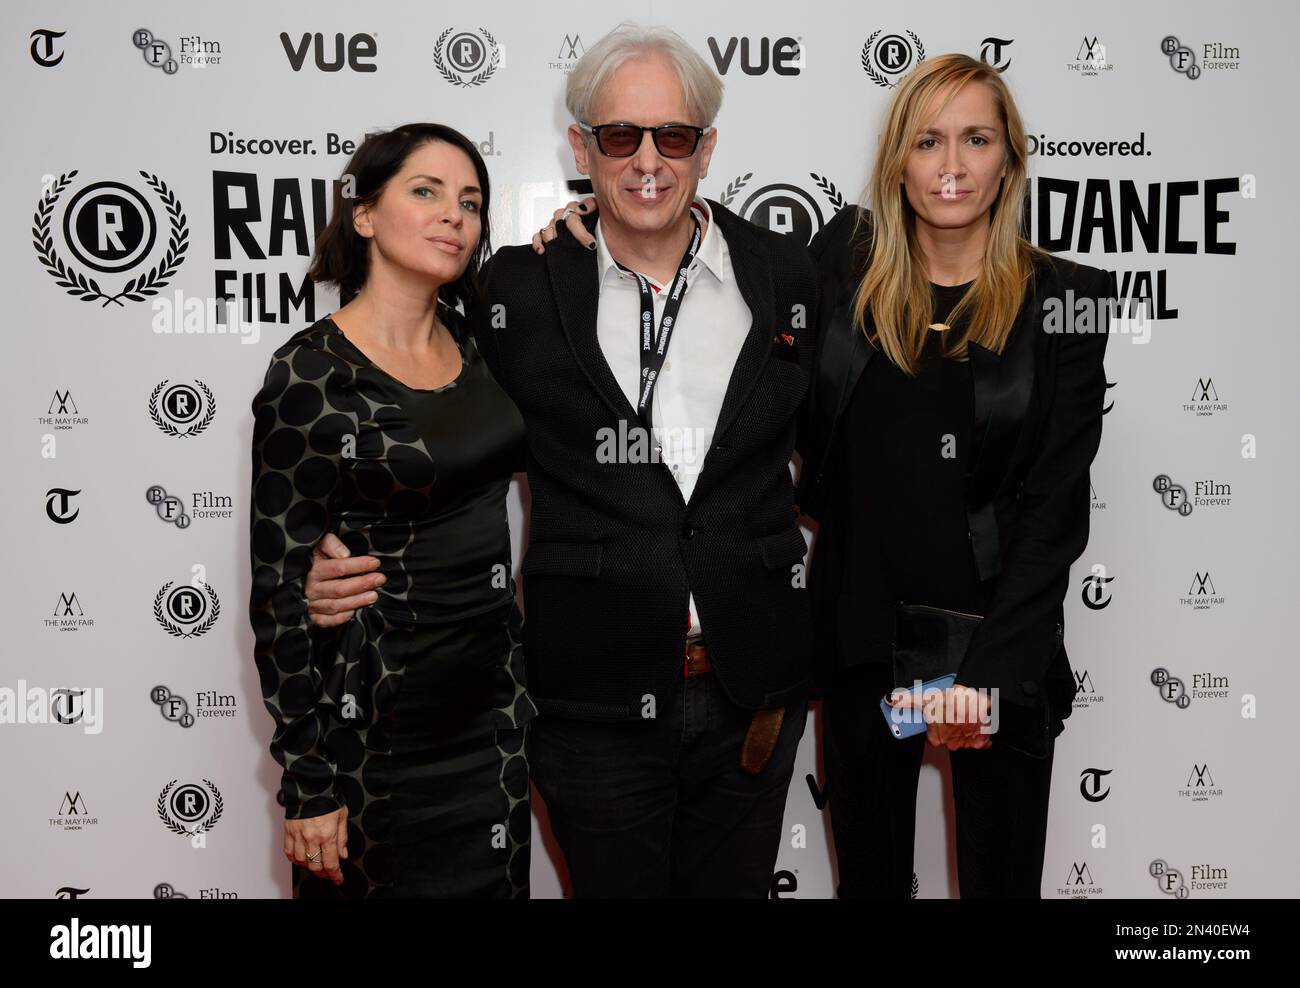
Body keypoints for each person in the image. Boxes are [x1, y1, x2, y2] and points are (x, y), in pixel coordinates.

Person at [540, 52, 1110, 898]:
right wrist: (586, 227)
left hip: (1000, 650)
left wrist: (984, 673)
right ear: (897, 161)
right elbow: (708, 254)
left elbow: (1055, 513)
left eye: (976, 140)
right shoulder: (842, 263)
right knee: (868, 884)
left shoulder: (1069, 300)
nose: (950, 166)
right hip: (858, 644)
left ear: (1010, 158)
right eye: (927, 141)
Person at [305, 23, 819, 898]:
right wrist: (335, 545)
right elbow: (431, 422)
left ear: (707, 149)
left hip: (753, 688)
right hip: (590, 699)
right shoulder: (516, 288)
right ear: (582, 147)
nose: (646, 158)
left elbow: (851, 448)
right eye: (619, 135)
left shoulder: (793, 276)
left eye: (673, 136)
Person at [248, 123, 535, 899]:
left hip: (491, 723)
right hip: (372, 731)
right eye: (426, 191)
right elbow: (278, 594)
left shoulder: (478, 345)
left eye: (471, 203)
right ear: (364, 215)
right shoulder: (309, 375)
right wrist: (307, 785)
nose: (456, 216)